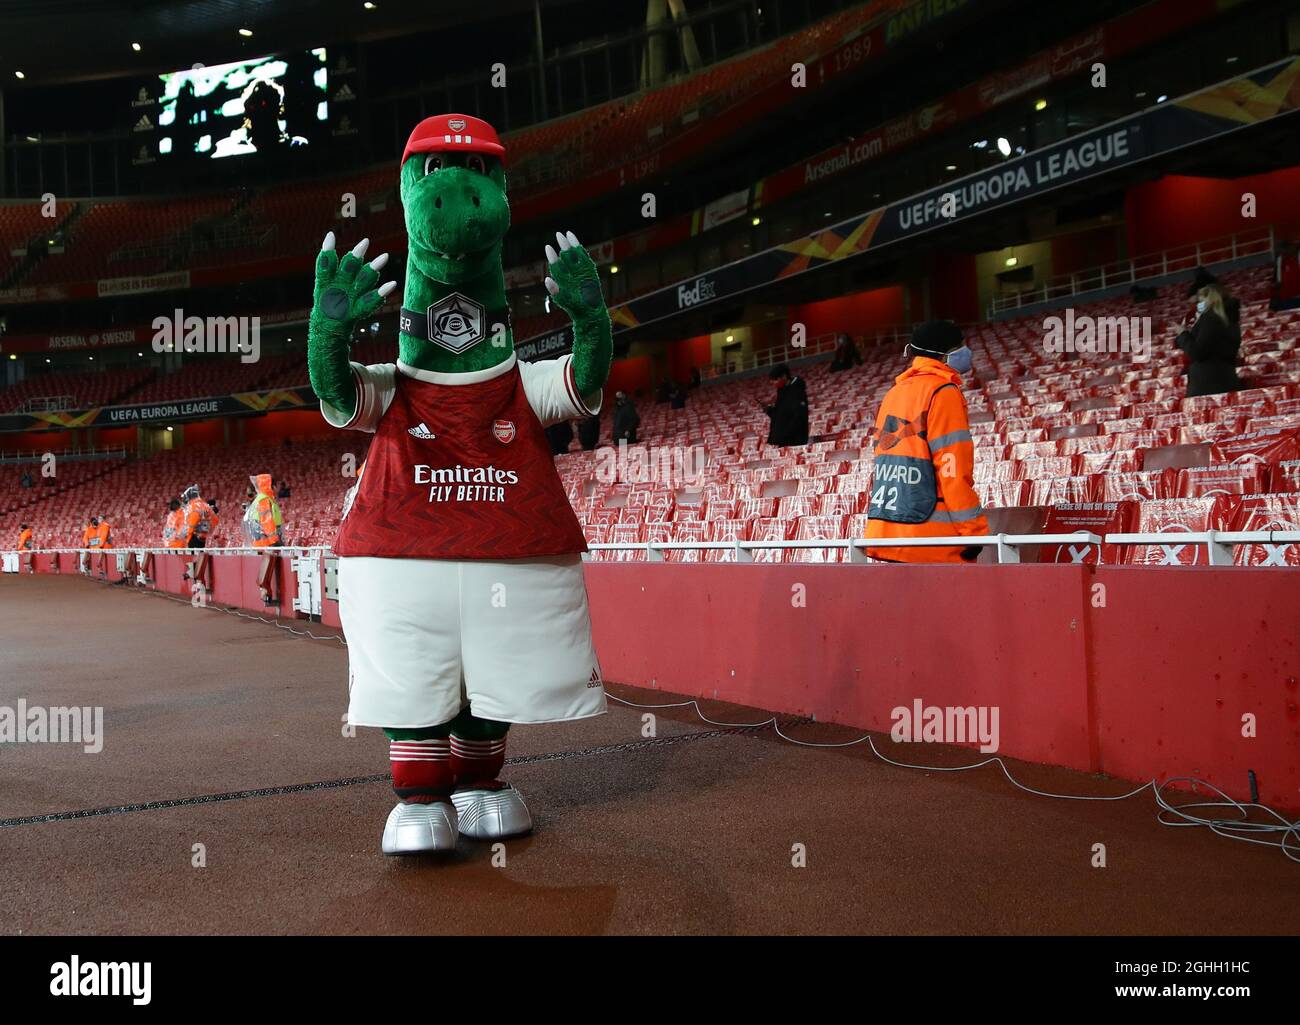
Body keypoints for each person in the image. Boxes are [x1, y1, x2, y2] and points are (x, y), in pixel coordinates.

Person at [864, 320, 988, 563]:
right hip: (931, 540)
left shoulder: (894, 393)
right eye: (960, 345)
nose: (966, 351)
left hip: (886, 533)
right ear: (946, 353)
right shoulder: (943, 392)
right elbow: (952, 468)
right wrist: (973, 533)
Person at [1176, 267, 1243, 398]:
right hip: (1225, 379)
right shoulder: (1231, 319)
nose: (1198, 305)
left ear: (1210, 299)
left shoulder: (1211, 318)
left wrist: (1182, 333)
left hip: (1208, 385)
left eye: (1200, 301)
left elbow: (1198, 352)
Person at [763, 364, 809, 447]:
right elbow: (780, 414)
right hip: (783, 440)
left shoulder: (797, 390)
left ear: (784, 376)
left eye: (775, 380)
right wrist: (769, 410)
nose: (772, 383)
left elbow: (798, 416)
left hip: (794, 440)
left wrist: (785, 434)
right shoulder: (781, 391)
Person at [242, 473, 284, 548]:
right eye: (275, 485)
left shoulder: (260, 499)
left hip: (262, 543)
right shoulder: (264, 500)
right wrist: (275, 541)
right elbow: (267, 521)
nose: (277, 488)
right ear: (271, 486)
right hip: (267, 544)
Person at [180, 484, 218, 548]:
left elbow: (191, 524)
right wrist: (208, 531)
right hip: (204, 538)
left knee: (193, 557)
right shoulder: (205, 505)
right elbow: (215, 520)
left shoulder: (193, 506)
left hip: (193, 538)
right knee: (201, 555)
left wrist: (185, 535)